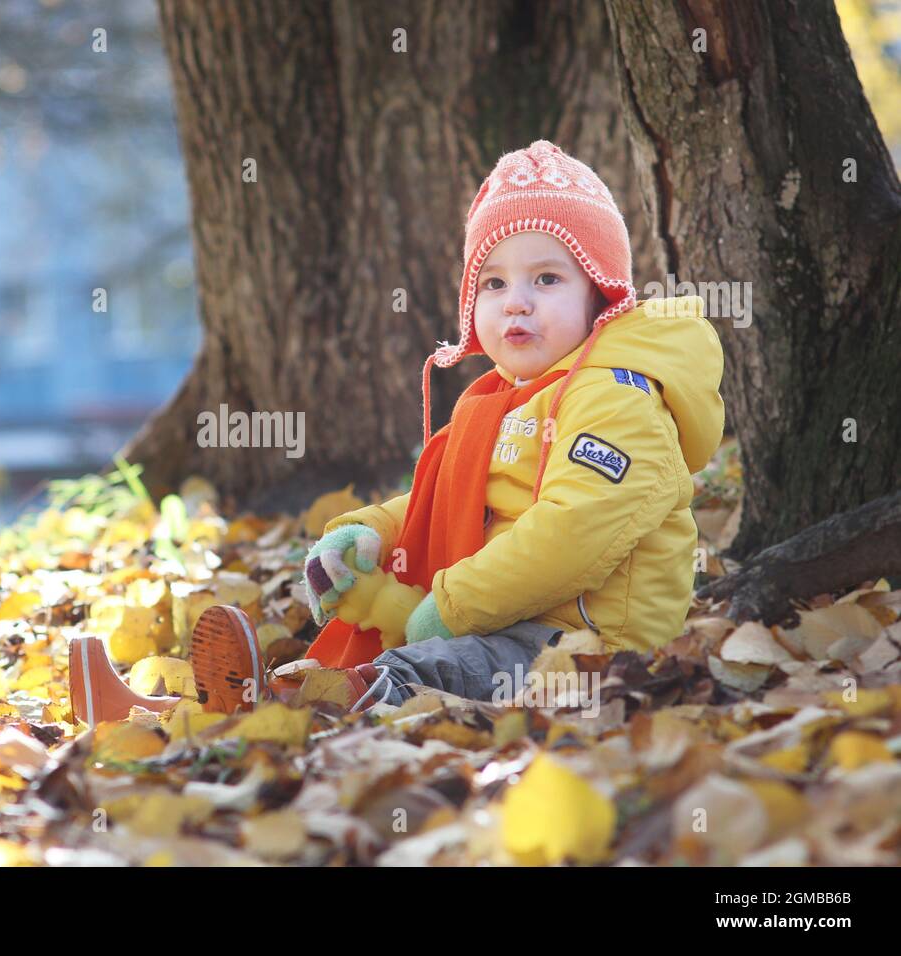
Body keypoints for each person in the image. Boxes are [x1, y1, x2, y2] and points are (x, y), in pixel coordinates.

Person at [70, 140, 724, 726]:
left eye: (546, 278)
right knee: (408, 661)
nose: (516, 301)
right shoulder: (504, 399)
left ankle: (273, 718)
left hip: (587, 653)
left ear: (601, 296)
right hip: (504, 626)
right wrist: (371, 532)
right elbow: (450, 499)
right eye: (493, 283)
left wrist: (450, 606)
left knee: (422, 675)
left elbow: (572, 533)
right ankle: (172, 715)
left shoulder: (618, 396)